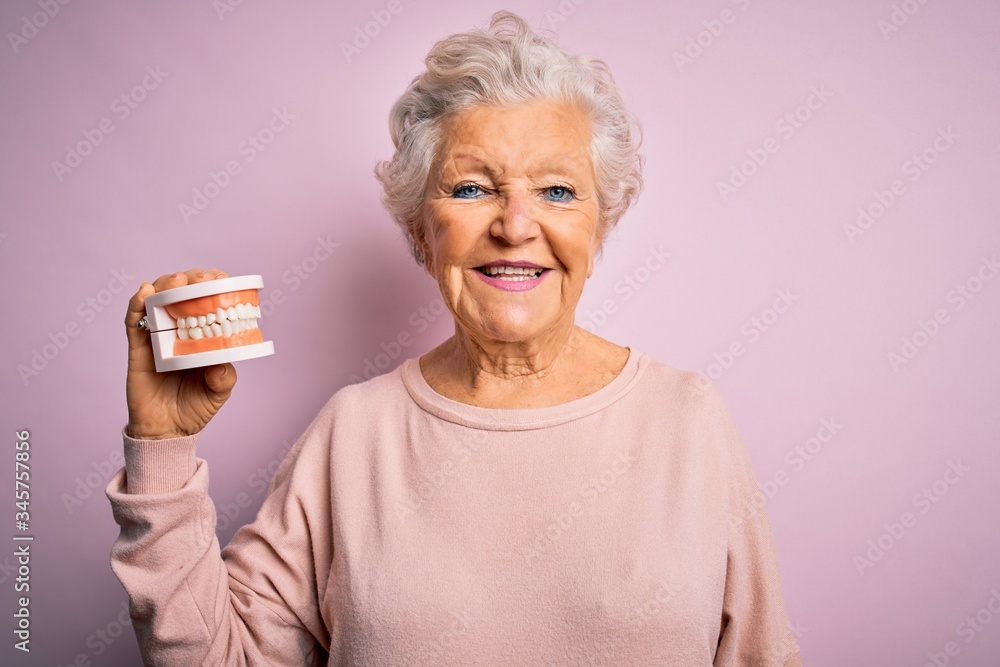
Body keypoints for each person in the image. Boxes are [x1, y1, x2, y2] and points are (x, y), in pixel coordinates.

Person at [107, 11, 802, 666]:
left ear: (600, 225)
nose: (516, 224)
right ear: (419, 228)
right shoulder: (354, 435)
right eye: (472, 189)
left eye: (558, 191)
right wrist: (162, 453)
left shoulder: (689, 419)